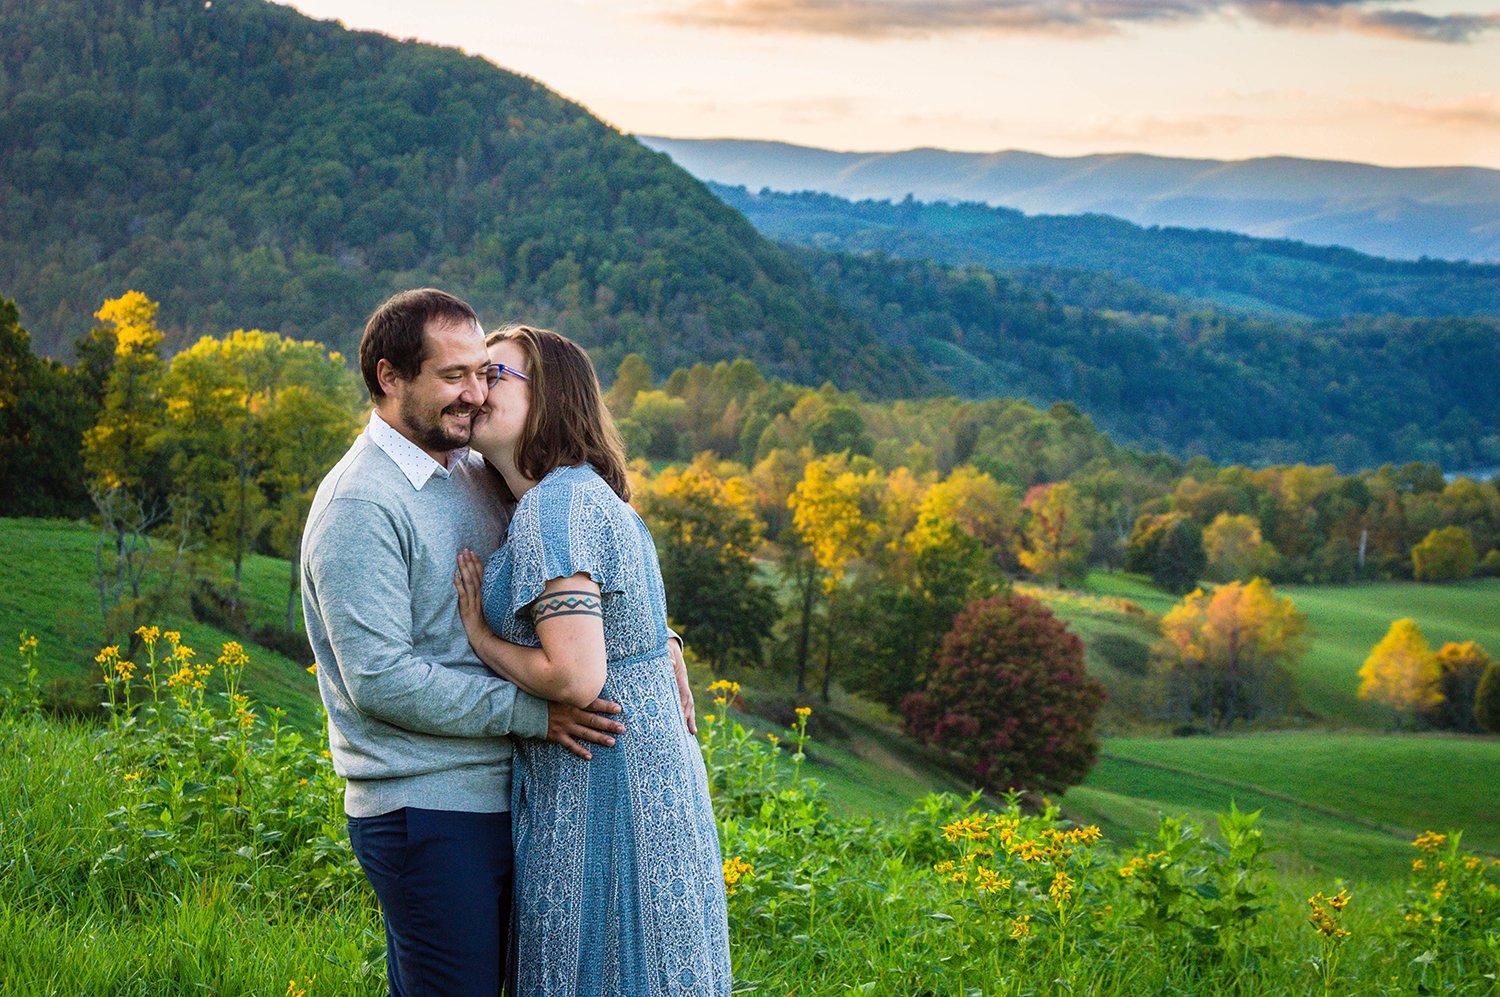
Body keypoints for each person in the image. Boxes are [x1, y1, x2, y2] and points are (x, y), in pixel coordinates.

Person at [301, 289, 689, 997]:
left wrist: (654, 637)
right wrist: (532, 713)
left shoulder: (477, 473)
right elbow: (381, 679)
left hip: (505, 796)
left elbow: (579, 565)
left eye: (484, 373)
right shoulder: (362, 503)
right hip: (425, 805)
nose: (474, 393)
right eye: (454, 377)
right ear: (390, 377)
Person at [453, 323, 732, 996]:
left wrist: (480, 635)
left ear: (549, 396)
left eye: (496, 375)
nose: (476, 388)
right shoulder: (577, 493)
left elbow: (577, 678)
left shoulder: (557, 505)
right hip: (641, 771)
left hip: (604, 785)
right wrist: (663, 640)